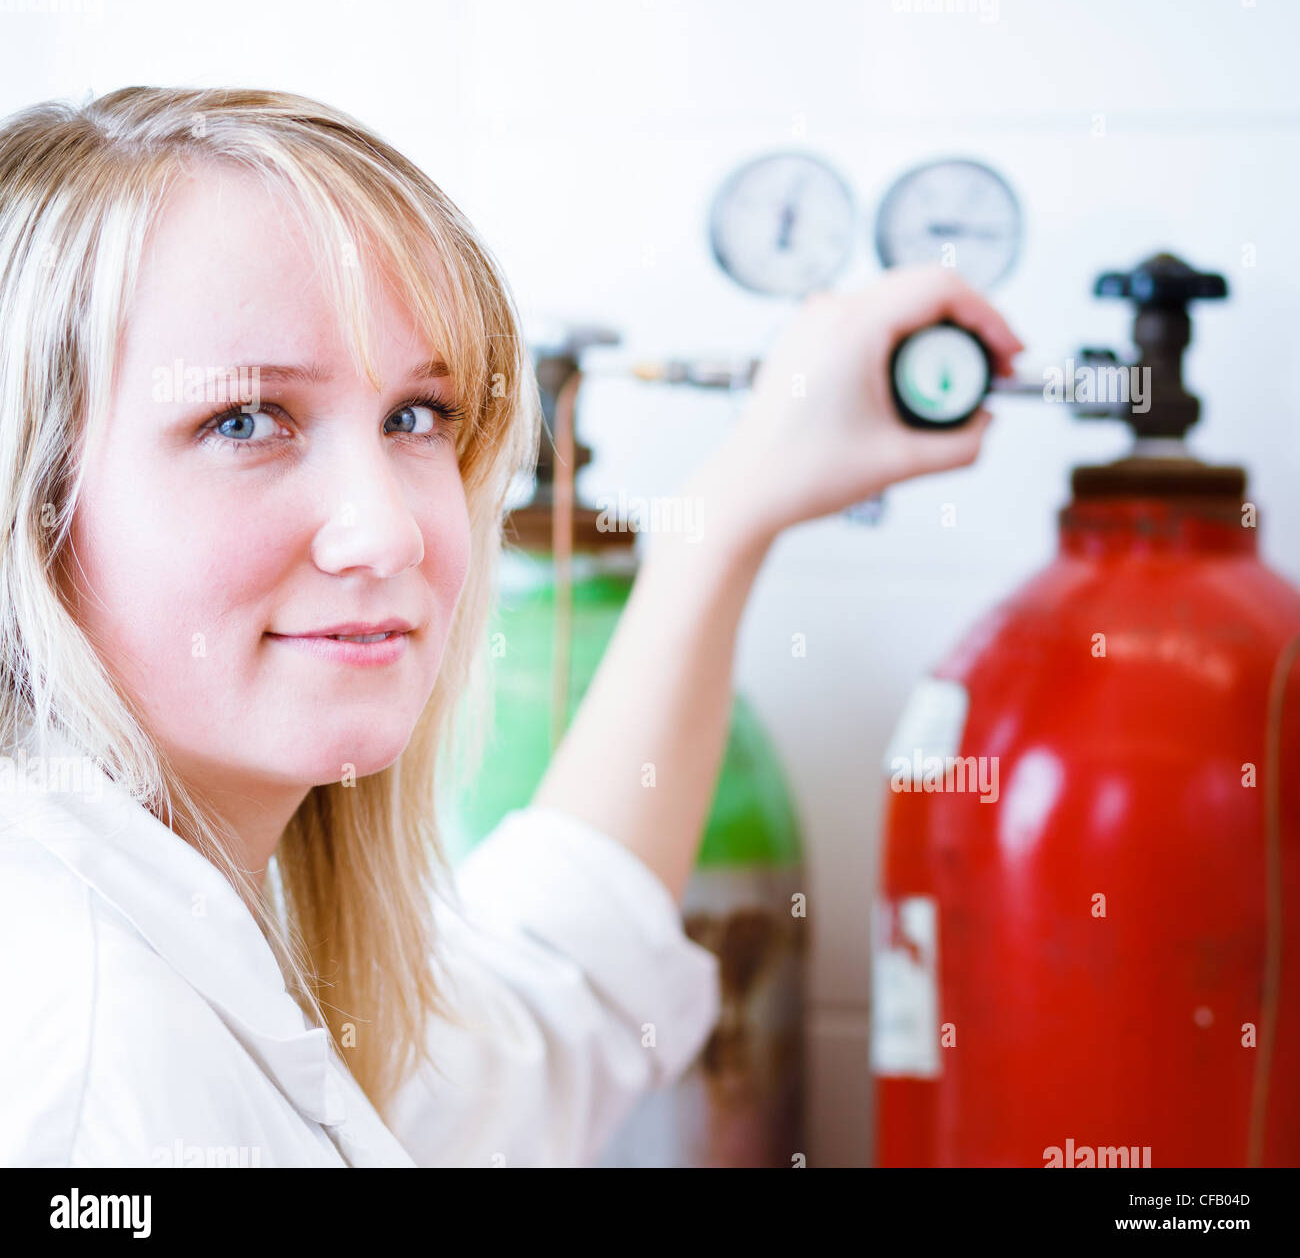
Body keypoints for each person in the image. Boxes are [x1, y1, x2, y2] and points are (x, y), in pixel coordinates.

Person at [0, 87, 1022, 1167]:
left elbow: (527, 1032)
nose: (386, 531)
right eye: (245, 421)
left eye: (414, 417)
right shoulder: (87, 1066)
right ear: (31, 495)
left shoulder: (200, 946)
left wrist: (726, 518)